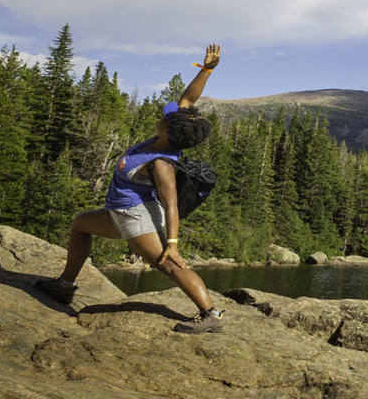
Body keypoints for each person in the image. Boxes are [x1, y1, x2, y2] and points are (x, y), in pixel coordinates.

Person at [34, 45, 226, 333]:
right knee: (80, 225)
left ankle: (210, 314)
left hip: (137, 217)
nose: (164, 115)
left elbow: (171, 204)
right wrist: (207, 70)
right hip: (119, 212)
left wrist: (172, 245)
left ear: (168, 130)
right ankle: (64, 286)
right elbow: (188, 98)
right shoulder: (167, 136)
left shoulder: (161, 163)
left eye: (167, 118)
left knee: (168, 265)